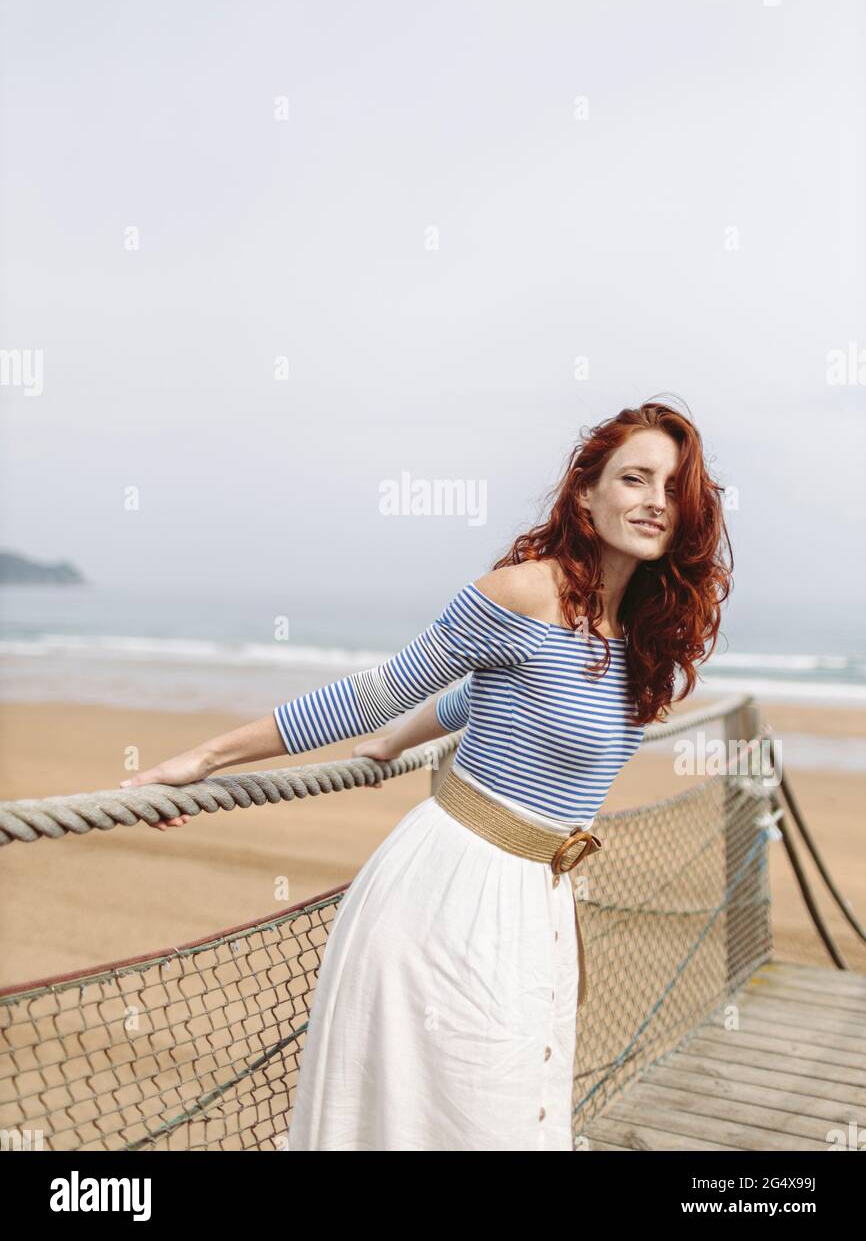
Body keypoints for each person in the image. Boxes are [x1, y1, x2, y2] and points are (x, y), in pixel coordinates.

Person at [122, 399, 732, 1150]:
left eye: (674, 489)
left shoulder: (643, 635)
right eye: (635, 479)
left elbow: (488, 692)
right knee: (458, 1118)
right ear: (585, 492)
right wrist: (205, 759)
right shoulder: (525, 592)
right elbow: (377, 690)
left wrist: (396, 743)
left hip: (540, 903)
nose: (654, 502)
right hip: (452, 894)